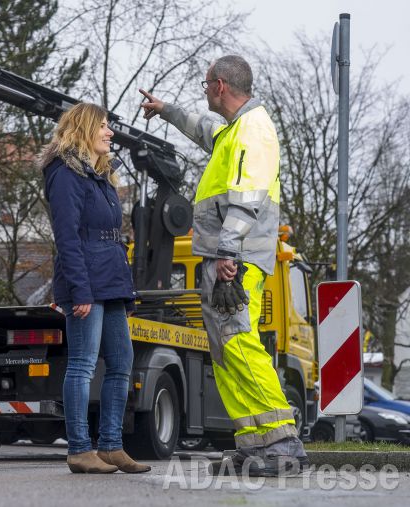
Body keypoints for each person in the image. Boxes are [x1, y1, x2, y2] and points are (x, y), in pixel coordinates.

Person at [139, 55, 308, 476]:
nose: (204, 92)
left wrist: (229, 253)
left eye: (204, 85)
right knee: (225, 349)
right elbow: (204, 129)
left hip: (236, 257)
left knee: (240, 341)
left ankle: (283, 442)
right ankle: (254, 445)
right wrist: (167, 111)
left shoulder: (254, 131)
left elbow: (248, 198)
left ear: (218, 85)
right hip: (223, 257)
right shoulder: (235, 130)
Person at [40, 102, 150, 474]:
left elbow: (113, 239)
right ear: (86, 128)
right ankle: (78, 450)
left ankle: (111, 447)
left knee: (121, 365)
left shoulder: (99, 175)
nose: (110, 132)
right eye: (104, 126)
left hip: (112, 282)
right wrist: (80, 291)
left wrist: (127, 292)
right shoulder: (64, 173)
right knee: (83, 365)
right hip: (86, 282)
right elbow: (67, 237)